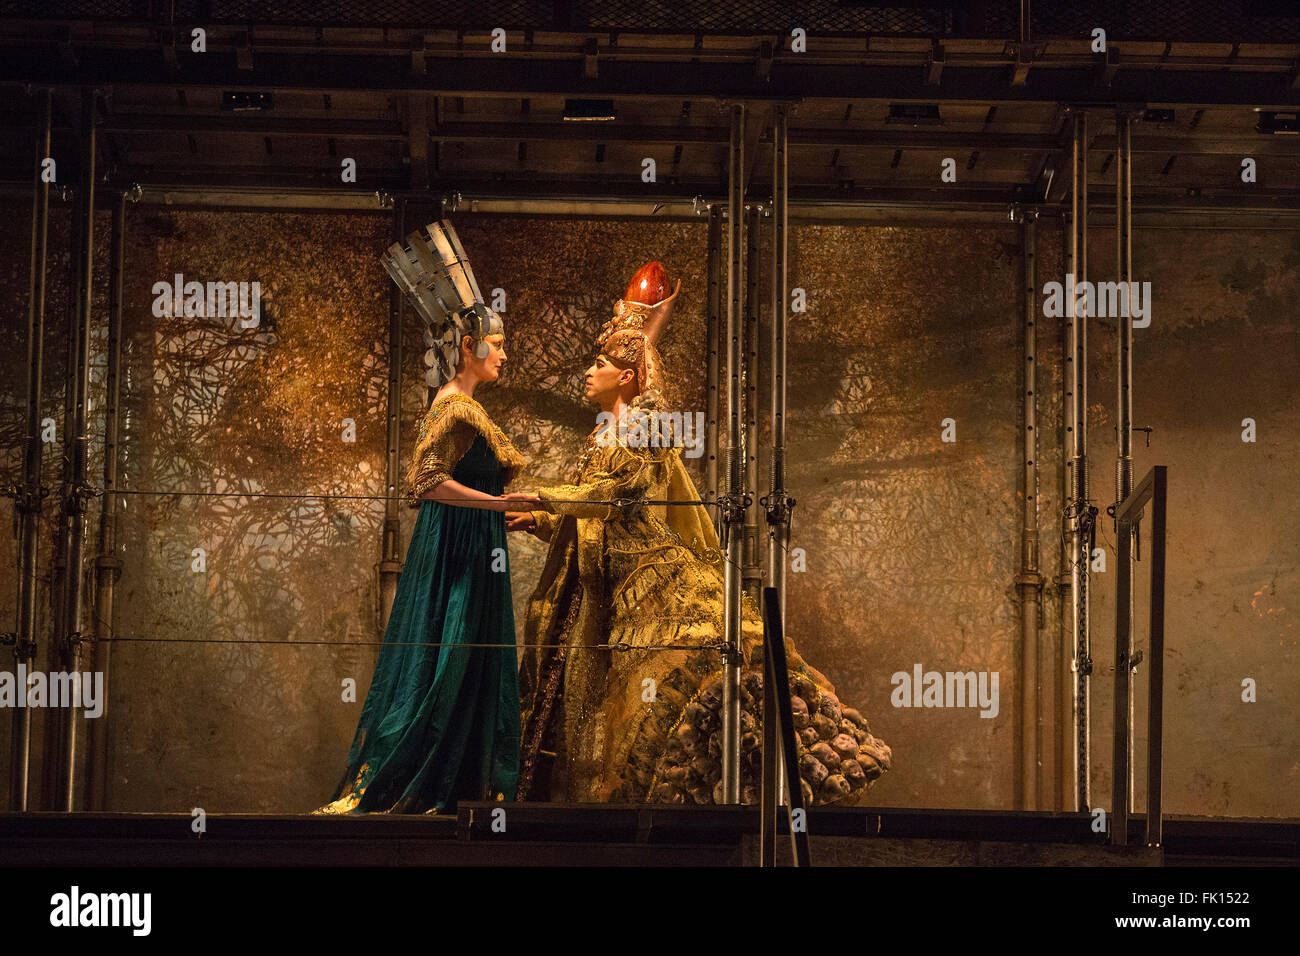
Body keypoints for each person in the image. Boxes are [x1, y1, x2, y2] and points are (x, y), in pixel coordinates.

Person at [508, 262, 891, 806]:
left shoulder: (639, 428)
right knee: (584, 694)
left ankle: (713, 776)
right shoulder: (606, 433)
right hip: (597, 587)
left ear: (626, 374)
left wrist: (544, 496)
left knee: (653, 681)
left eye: (599, 363)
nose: (588, 373)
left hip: (639, 583)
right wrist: (545, 520)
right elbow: (596, 512)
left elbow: (614, 498)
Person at [317, 223, 539, 814]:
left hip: (473, 546)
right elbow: (425, 482)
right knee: (451, 657)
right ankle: (424, 781)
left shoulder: (467, 407)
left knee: (467, 661)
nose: (504, 352)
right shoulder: (455, 405)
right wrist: (496, 506)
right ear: (469, 346)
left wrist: (503, 518)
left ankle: (463, 783)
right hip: (460, 557)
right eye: (497, 343)